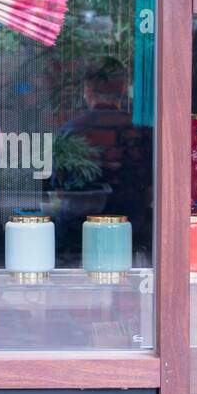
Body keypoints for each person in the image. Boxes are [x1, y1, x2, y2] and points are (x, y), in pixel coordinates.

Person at [52, 57, 154, 259]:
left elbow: (60, 190)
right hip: (129, 232)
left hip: (76, 236)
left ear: (87, 90)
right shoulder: (140, 132)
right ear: (124, 88)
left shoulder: (71, 131)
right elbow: (150, 191)